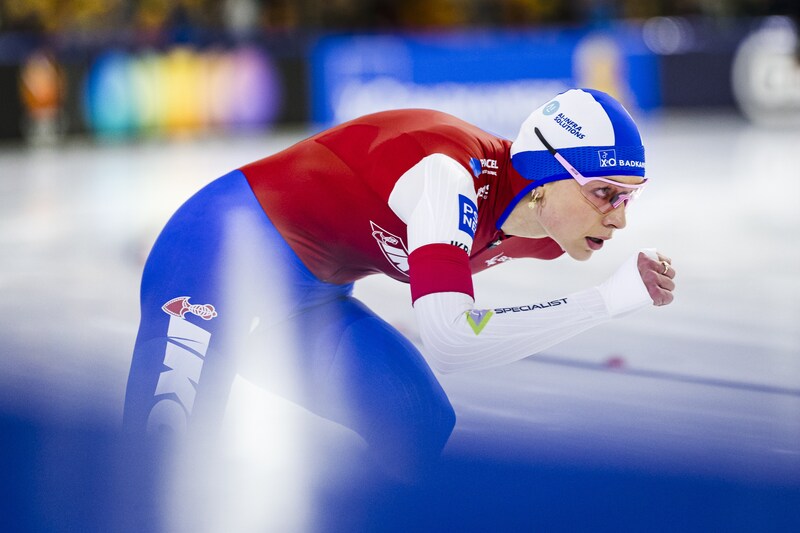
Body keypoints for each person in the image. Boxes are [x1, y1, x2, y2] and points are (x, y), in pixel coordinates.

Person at [122, 88, 676, 479]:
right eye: (605, 193)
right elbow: (452, 338)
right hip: (219, 254)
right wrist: (608, 300)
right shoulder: (447, 179)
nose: (620, 218)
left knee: (416, 424)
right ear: (543, 181)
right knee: (162, 464)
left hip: (310, 299)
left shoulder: (546, 233)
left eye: (631, 196)